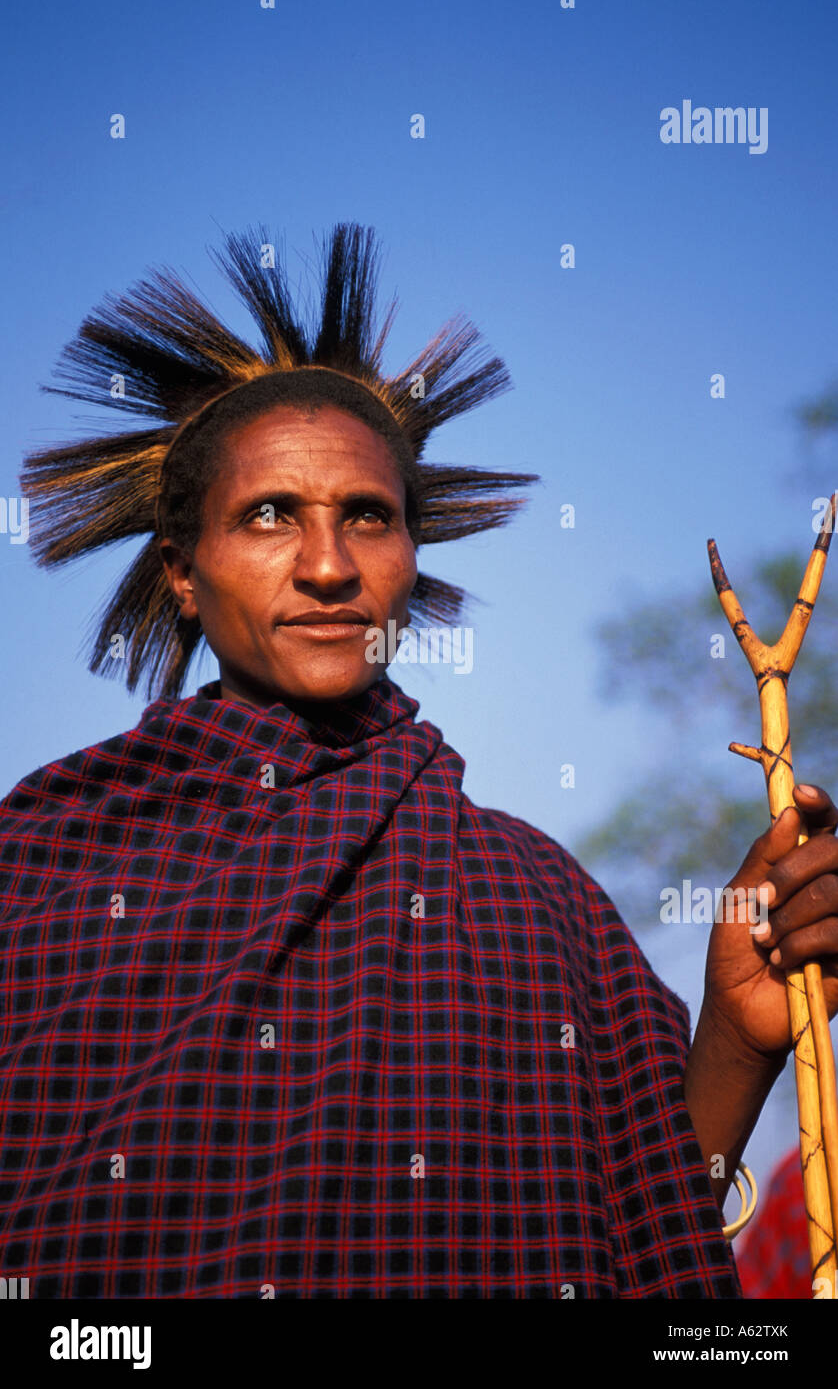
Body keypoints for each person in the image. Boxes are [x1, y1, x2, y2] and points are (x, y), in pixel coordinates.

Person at [3, 222, 838, 1299]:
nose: (325, 564)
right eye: (268, 516)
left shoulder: (542, 900)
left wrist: (734, 1035)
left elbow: (653, 1260)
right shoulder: (46, 861)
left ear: (409, 558)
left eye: (367, 517)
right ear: (181, 569)